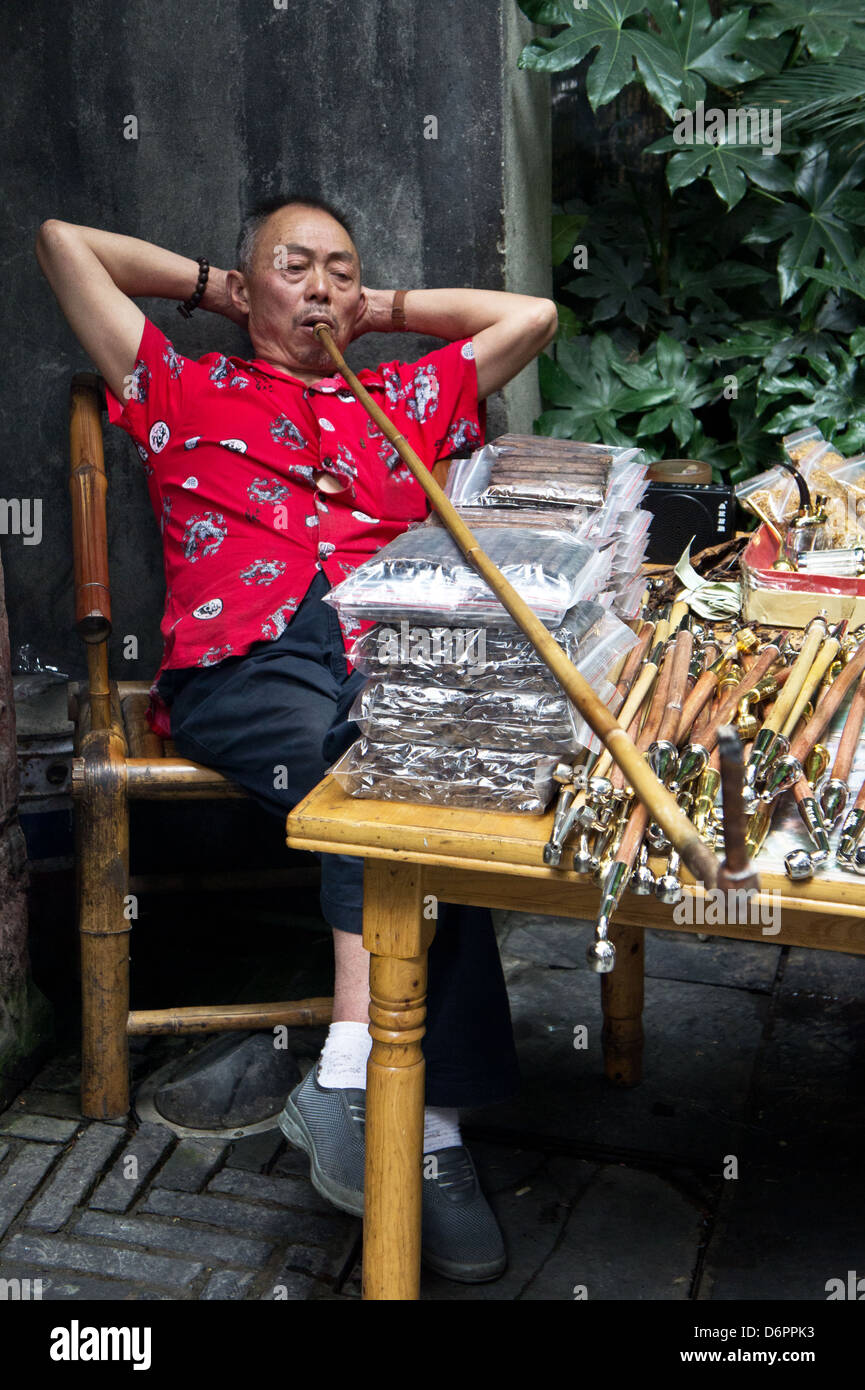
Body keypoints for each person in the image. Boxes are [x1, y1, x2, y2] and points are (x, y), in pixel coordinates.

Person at [36, 196, 557, 1283]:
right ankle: (394, 1097)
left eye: (339, 270)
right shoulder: (179, 382)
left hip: (377, 653)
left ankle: (400, 1112)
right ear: (248, 284)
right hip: (244, 663)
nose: (318, 286)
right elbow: (63, 244)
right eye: (293, 266)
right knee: (365, 776)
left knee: (416, 769)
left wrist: (387, 311)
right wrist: (201, 289)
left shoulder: (405, 393)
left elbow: (534, 313)